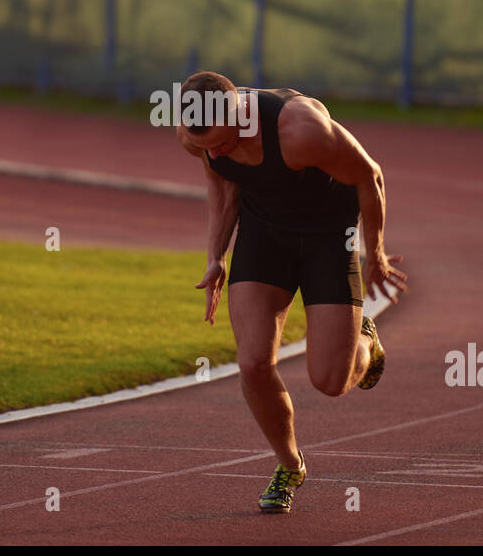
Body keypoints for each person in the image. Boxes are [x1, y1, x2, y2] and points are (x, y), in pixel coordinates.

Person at [174, 71, 407, 513]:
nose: (217, 152)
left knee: (330, 382)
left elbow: (370, 177)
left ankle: (365, 340)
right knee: (252, 362)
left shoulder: (300, 129)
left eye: (222, 142)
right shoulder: (195, 136)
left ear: (239, 113)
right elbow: (222, 189)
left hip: (326, 236)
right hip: (265, 234)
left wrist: (373, 252)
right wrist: (215, 257)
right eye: (205, 145)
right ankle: (289, 465)